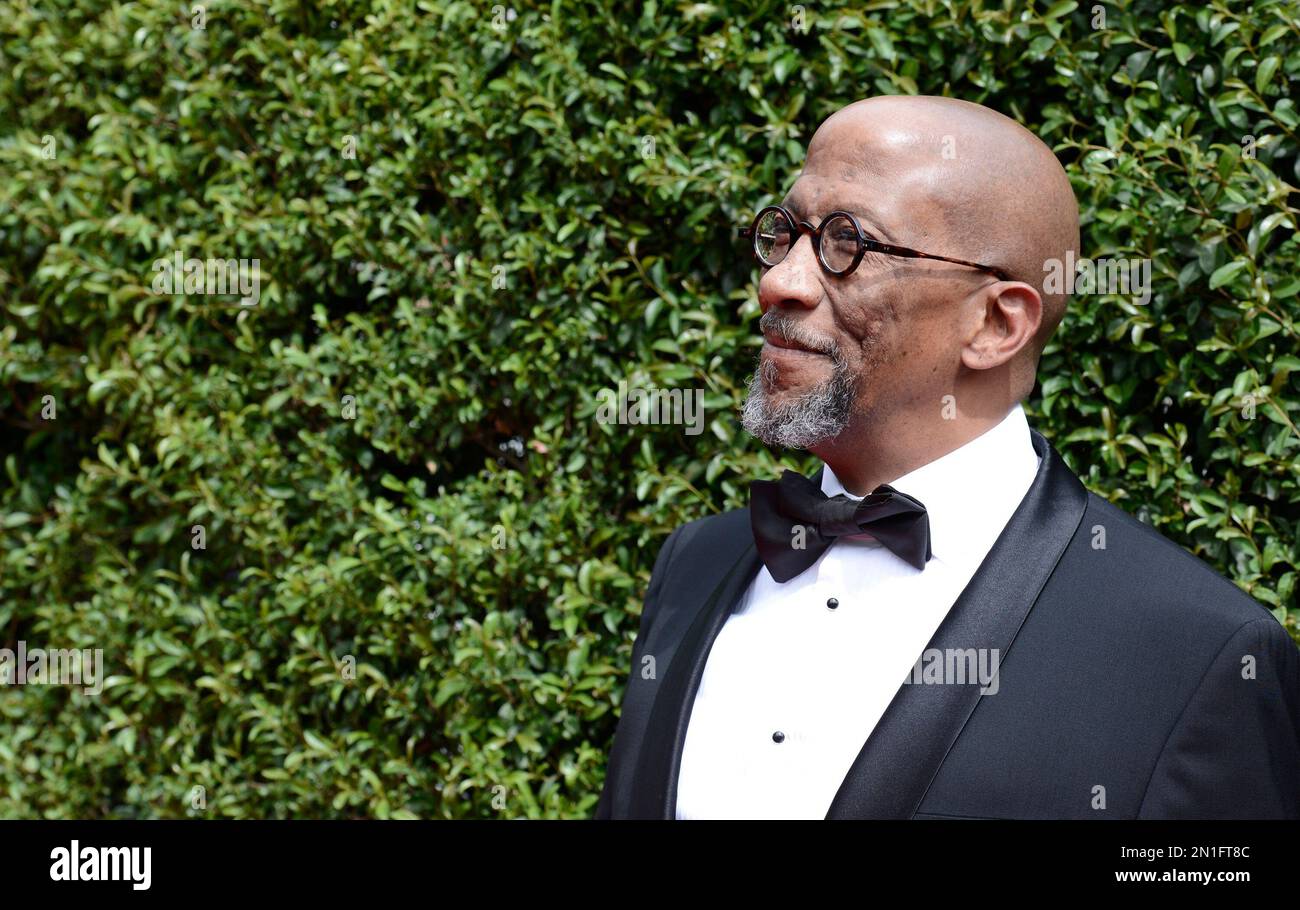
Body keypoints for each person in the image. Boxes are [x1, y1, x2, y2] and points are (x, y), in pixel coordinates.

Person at [594, 95, 1300, 819]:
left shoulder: (1195, 656)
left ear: (996, 323)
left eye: (849, 243)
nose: (781, 281)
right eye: (787, 232)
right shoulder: (696, 563)